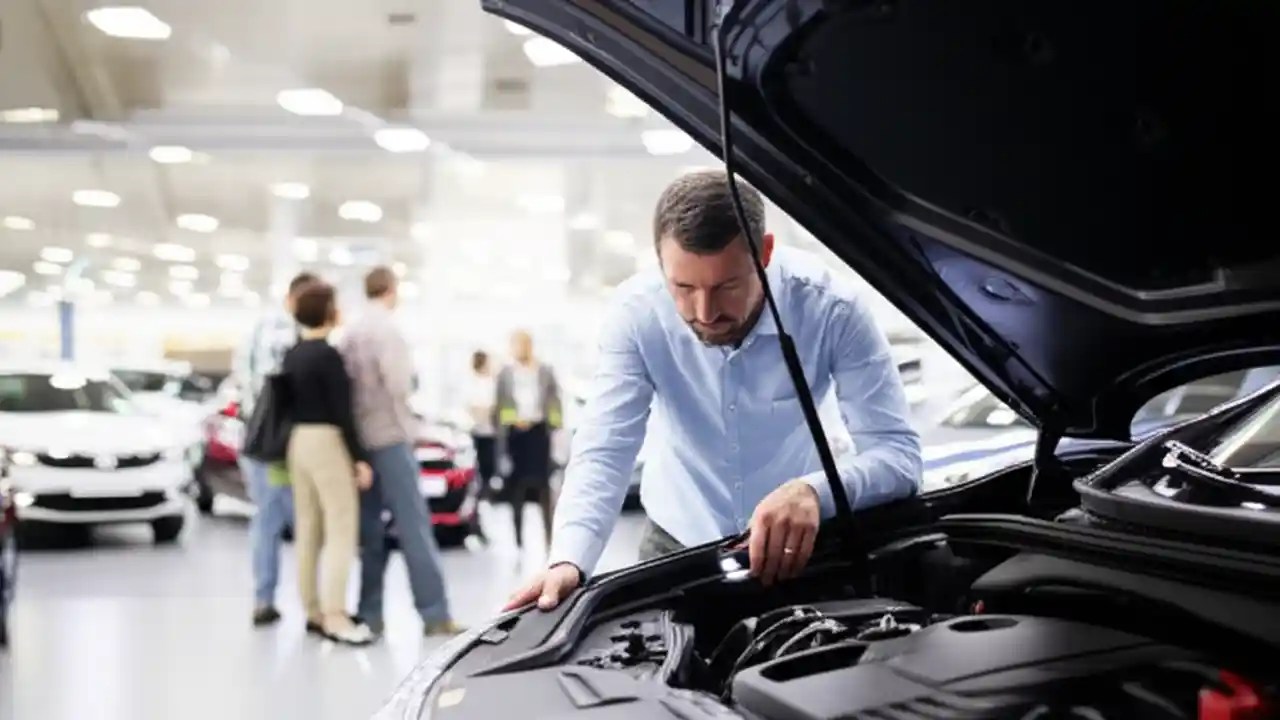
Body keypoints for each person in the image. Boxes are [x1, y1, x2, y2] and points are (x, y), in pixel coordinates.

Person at [505, 169, 922, 612]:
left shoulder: (832, 309)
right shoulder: (636, 315)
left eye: (727, 286)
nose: (704, 312)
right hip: (676, 541)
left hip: (798, 544)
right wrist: (569, 558)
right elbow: (605, 449)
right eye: (683, 287)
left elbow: (898, 457)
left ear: (765, 253)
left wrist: (814, 492)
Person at [337, 266, 462, 637]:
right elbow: (399, 384)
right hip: (391, 438)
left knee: (370, 530)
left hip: (361, 445)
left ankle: (370, 613)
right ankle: (435, 614)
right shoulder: (387, 331)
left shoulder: (351, 333)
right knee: (414, 528)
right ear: (391, 290)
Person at [280, 280, 376, 645]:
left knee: (308, 528)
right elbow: (343, 413)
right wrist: (359, 458)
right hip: (327, 441)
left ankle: (314, 611)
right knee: (340, 527)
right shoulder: (328, 356)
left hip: (297, 442)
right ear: (328, 311)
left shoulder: (293, 353)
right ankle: (337, 616)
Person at [230, 271, 316, 627]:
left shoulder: (255, 329)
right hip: (281, 445)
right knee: (303, 523)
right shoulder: (286, 331)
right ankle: (312, 605)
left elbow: (242, 382)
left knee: (266, 521)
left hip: (256, 441)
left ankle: (264, 598)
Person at [495, 330, 562, 553]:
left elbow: (554, 403)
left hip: (539, 433)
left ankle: (550, 539)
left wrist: (554, 428)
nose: (519, 349)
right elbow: (500, 407)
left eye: (523, 344)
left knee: (544, 489)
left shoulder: (545, 371)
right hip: (516, 436)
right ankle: (518, 541)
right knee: (517, 490)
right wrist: (511, 423)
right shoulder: (505, 373)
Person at [466, 350, 499, 499]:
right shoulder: (474, 382)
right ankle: (481, 491)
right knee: (481, 461)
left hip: (489, 430)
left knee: (488, 462)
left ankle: (485, 489)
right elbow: (474, 407)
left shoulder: (491, 382)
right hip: (478, 429)